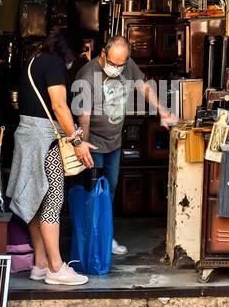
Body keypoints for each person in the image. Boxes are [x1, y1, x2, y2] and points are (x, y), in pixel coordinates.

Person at [72, 35, 177, 256]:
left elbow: (143, 86)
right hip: (95, 144)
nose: (117, 68)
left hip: (115, 143)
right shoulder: (87, 75)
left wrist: (162, 110)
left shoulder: (126, 64)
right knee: (96, 192)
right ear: (103, 53)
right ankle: (95, 240)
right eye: (113, 63)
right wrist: (83, 145)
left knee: (109, 191)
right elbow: (84, 117)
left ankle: (104, 235)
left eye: (121, 64)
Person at [5, 29, 94, 286]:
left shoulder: (32, 61)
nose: (72, 62)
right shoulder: (54, 64)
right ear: (68, 51)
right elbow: (58, 105)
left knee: (35, 199)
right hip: (45, 140)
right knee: (53, 200)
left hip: (26, 136)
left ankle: (40, 264)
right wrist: (77, 140)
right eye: (74, 56)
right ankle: (56, 268)